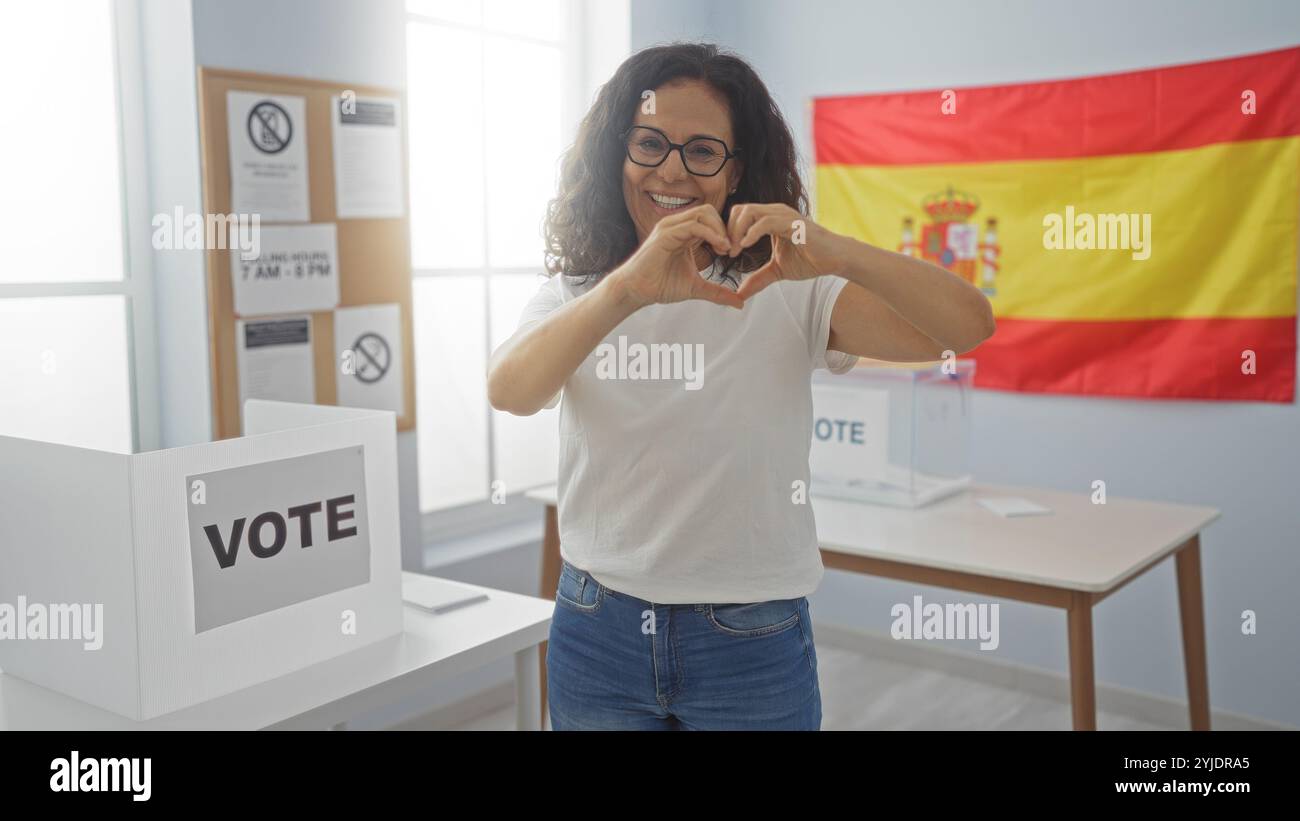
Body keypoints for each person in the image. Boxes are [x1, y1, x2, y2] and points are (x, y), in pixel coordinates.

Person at [487, 43, 994, 730]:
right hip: (595, 623)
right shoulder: (582, 292)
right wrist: (625, 290)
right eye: (649, 143)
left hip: (749, 635)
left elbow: (965, 326)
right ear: (618, 153)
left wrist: (834, 249)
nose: (671, 169)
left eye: (702, 151)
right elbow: (509, 390)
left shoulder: (788, 288)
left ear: (737, 171)